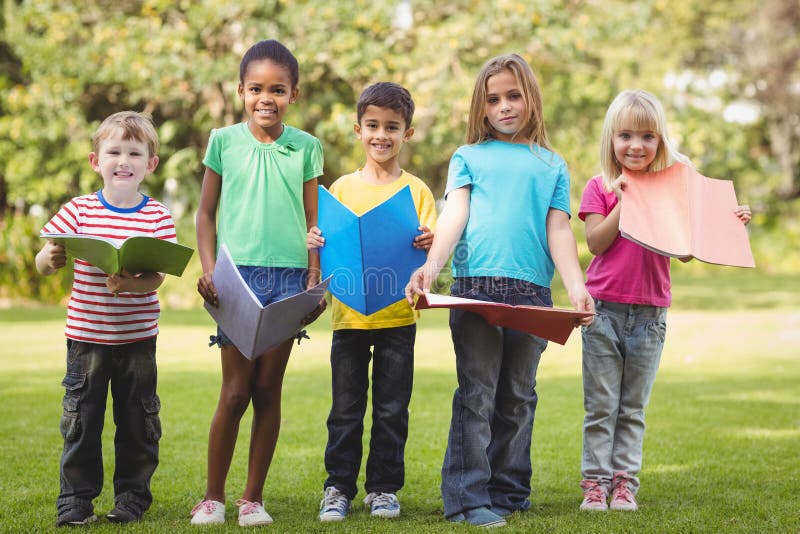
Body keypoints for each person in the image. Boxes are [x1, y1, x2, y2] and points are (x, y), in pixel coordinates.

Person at [406, 54, 594, 528]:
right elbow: (455, 215)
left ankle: (508, 491)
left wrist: (576, 286)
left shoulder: (552, 164)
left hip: (532, 293)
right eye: (494, 99)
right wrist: (432, 267)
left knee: (518, 394)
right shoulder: (469, 157)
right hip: (476, 289)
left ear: (531, 97)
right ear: (481, 107)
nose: (505, 106)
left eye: (514, 95)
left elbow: (558, 229)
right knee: (477, 392)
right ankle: (467, 499)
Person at [577, 89, 752, 512]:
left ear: (660, 141)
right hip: (603, 312)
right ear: (611, 139)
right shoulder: (600, 186)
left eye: (647, 137)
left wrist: (726, 222)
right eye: (625, 136)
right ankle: (595, 485)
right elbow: (597, 244)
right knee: (602, 407)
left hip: (650, 315)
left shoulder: (672, 188)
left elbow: (686, 249)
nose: (636, 145)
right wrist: (625, 200)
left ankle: (624, 485)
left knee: (632, 408)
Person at [190, 39, 324, 527]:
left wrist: (313, 277)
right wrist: (210, 270)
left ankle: (252, 499)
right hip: (235, 278)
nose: (265, 98)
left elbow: (315, 221)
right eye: (256, 89)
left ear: (294, 93)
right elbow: (205, 214)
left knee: (269, 388)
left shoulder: (307, 147)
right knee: (235, 390)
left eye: (278, 89)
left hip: (289, 281)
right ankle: (212, 497)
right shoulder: (223, 141)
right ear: (240, 90)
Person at [35, 111, 174, 527]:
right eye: (113, 151)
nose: (123, 160)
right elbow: (45, 259)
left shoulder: (157, 216)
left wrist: (129, 285)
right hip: (86, 338)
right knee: (82, 420)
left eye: (134, 152)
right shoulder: (78, 210)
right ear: (96, 160)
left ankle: (131, 497)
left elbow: (157, 277)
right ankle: (76, 500)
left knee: (137, 421)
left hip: (137, 340)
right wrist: (49, 258)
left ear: (150, 163)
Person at [307, 82, 436, 522]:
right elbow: (322, 246)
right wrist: (314, 242)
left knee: (391, 409)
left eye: (393, 127)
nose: (382, 135)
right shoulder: (339, 189)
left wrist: (431, 242)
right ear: (358, 130)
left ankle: (382, 488)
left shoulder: (417, 192)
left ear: (408, 133)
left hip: (398, 317)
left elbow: (434, 247)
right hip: (348, 319)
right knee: (344, 409)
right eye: (373, 126)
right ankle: (337, 487)